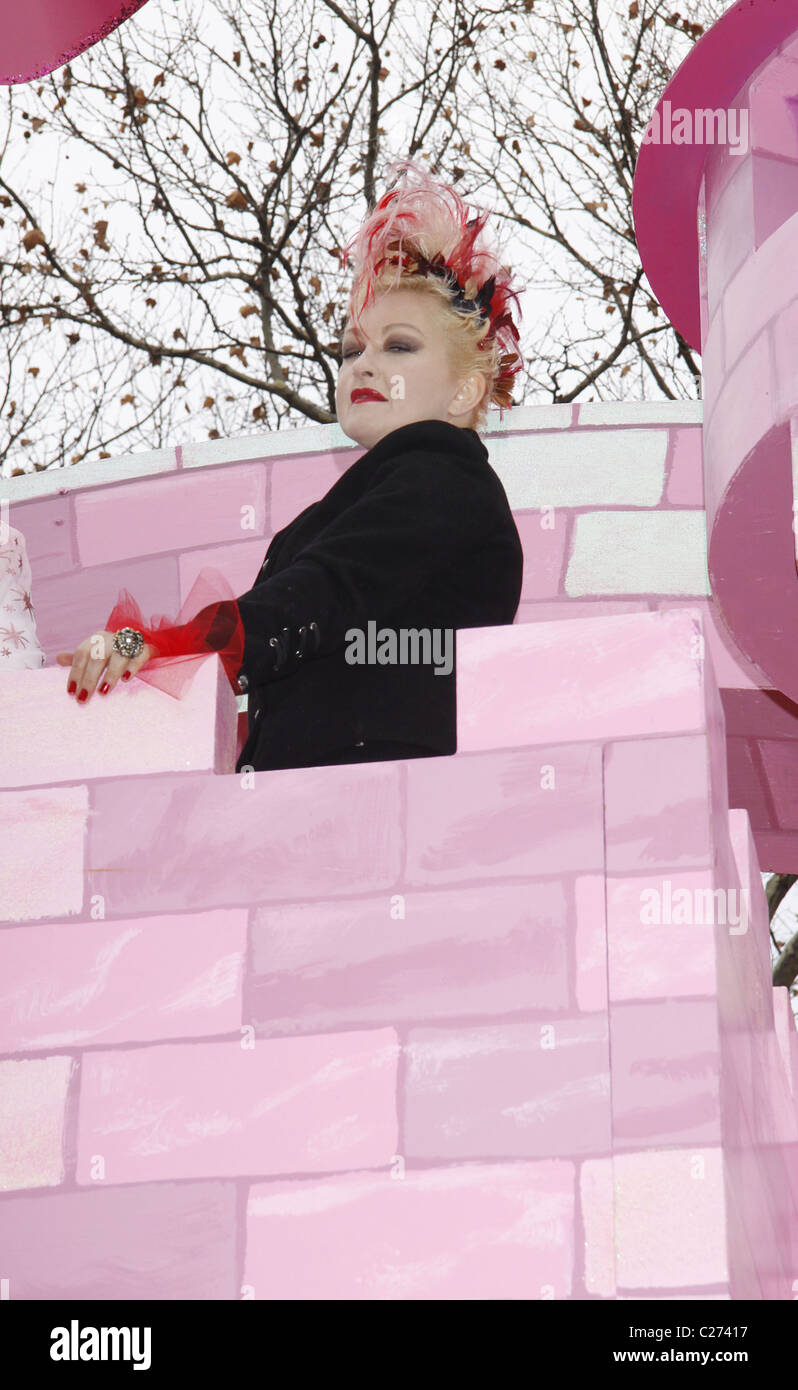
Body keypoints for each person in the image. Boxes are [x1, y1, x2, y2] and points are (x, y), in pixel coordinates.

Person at [57, 158, 525, 772]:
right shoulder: (373, 497)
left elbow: (320, 596)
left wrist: (161, 643)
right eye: (352, 348)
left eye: (399, 345)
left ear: (466, 390)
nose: (361, 364)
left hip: (379, 813)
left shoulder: (444, 480)